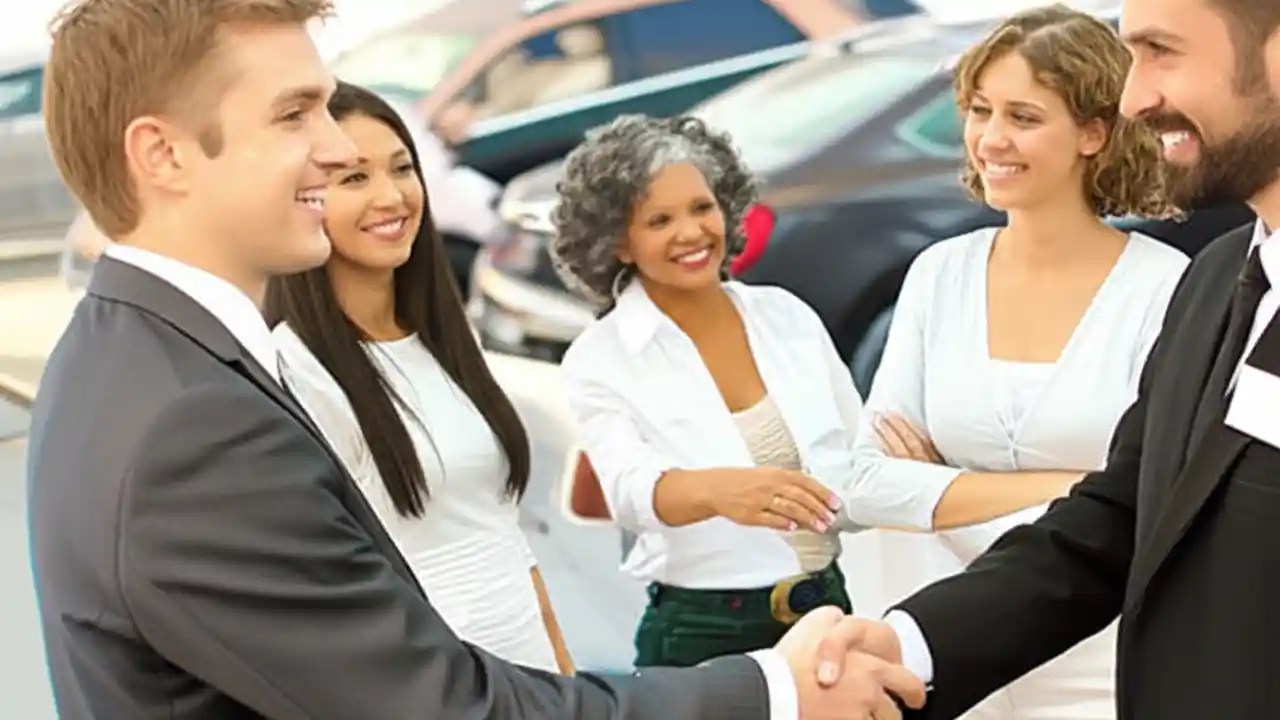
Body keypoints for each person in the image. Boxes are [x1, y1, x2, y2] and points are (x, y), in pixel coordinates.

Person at [25, 1, 928, 719]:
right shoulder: (194, 422)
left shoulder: (130, 354)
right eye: (295, 114)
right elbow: (438, 705)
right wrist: (775, 690)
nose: (337, 148)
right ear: (163, 154)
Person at [816, 0, 1280, 717]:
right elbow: (1116, 517)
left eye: (1162, 52)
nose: (1135, 97)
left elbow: (1167, 514)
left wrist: (947, 482)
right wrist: (907, 645)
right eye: (980, 110)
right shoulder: (1220, 282)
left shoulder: (1166, 284)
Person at [552, 115, 887, 669]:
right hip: (703, 633)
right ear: (618, 242)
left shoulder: (786, 316)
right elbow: (629, 491)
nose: (690, 233)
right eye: (659, 219)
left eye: (701, 208)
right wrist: (716, 491)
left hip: (829, 610)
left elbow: (860, 459)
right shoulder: (600, 359)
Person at [264, 81, 572, 675]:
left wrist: (566, 679)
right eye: (353, 178)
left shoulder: (445, 339)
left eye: (402, 169)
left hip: (533, 686)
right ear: (305, 197)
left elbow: (507, 539)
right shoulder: (296, 370)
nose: (392, 196)